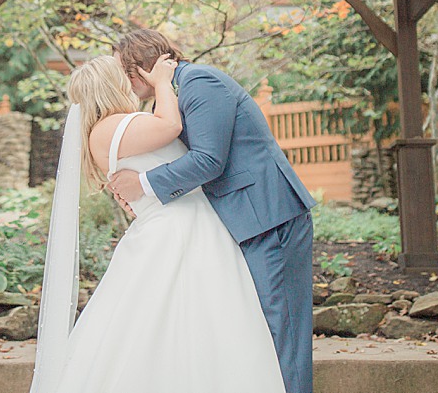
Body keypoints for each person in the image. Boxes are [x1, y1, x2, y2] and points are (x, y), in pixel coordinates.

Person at [30, 55, 285, 393]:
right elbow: (171, 127)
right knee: (185, 326)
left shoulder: (108, 130)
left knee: (171, 327)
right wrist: (164, 82)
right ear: (111, 84)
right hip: (178, 233)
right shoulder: (117, 124)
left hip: (178, 228)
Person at [105, 29, 317, 393]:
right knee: (259, 334)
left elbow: (209, 160)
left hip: (269, 216)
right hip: (244, 222)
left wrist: (142, 184)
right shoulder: (170, 97)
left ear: (142, 66)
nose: (124, 82)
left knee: (281, 330)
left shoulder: (199, 81)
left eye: (125, 72)